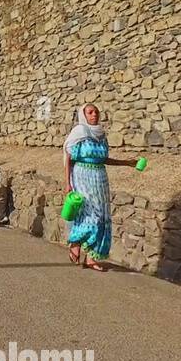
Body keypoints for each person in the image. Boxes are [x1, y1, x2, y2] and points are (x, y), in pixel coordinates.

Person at [64, 103, 138, 271]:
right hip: (82, 175)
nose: (94, 115)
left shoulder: (101, 135)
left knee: (102, 216)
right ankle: (75, 241)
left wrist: (128, 163)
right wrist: (68, 183)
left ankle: (91, 258)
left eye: (96, 112)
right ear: (83, 115)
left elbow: (104, 159)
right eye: (90, 112)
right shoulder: (79, 133)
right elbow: (69, 159)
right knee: (90, 214)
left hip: (100, 178)